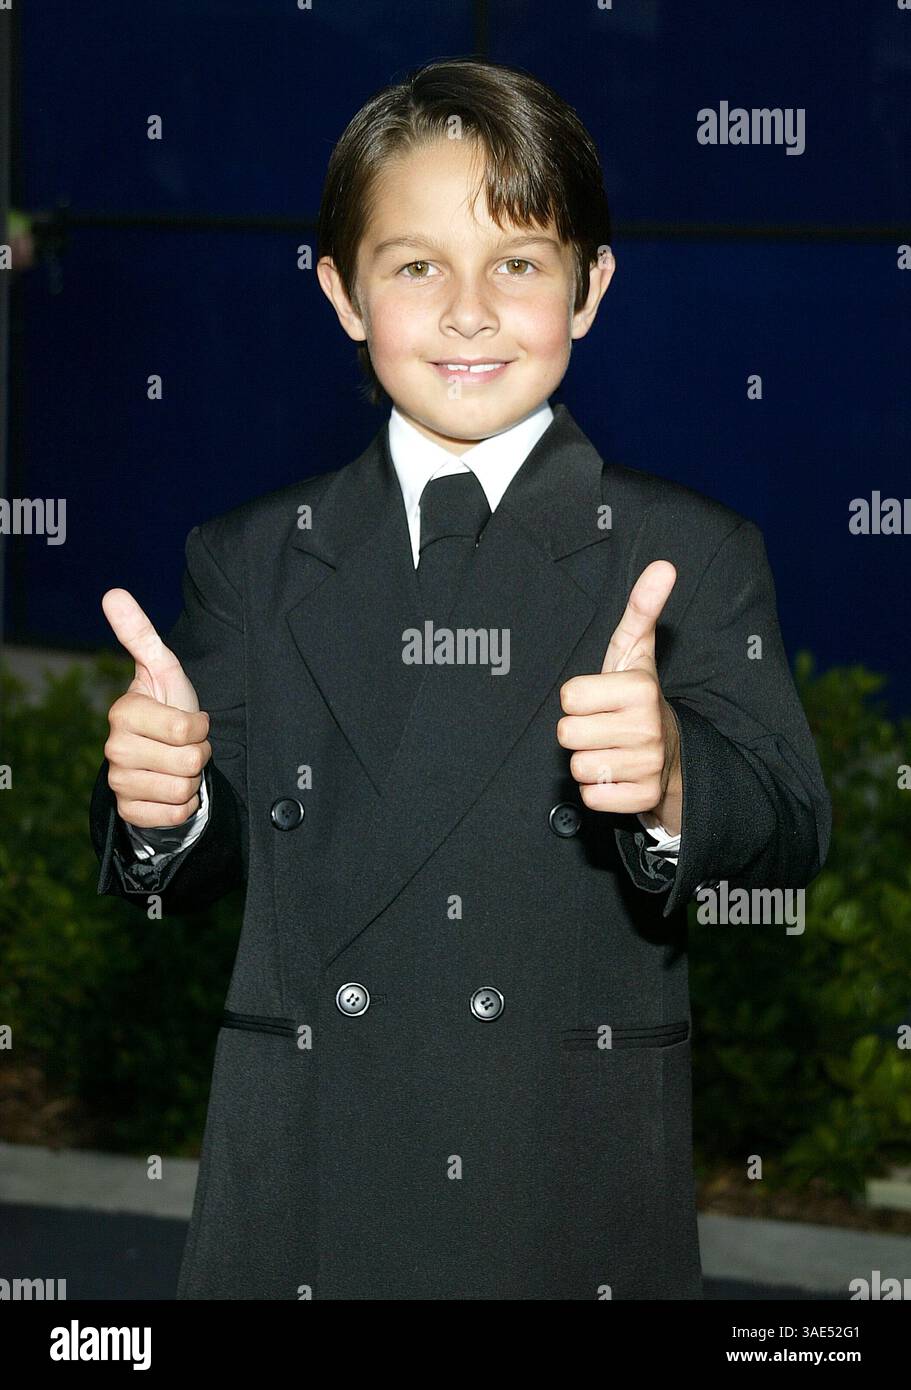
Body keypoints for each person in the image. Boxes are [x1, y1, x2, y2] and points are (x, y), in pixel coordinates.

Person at [89, 58, 831, 1300]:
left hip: (560, 1181)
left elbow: (792, 823)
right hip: (308, 1177)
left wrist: (668, 784)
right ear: (340, 292)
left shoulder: (684, 551)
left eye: (520, 262)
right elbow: (202, 842)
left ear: (589, 288)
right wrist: (168, 806)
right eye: (416, 264)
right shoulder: (252, 557)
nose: (469, 311)